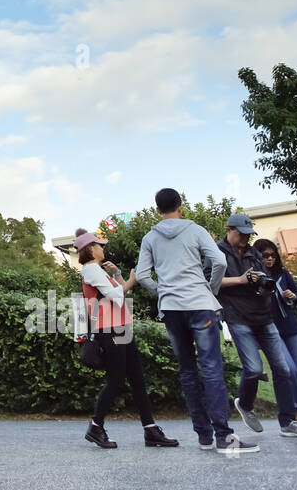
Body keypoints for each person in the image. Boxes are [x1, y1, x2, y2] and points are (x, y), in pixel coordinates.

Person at [136, 189, 256, 454]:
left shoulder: (150, 237)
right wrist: (210, 289)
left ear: (158, 210)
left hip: (171, 309)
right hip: (200, 306)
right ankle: (223, 437)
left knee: (188, 372)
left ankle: (203, 436)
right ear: (181, 206)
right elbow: (219, 261)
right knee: (212, 369)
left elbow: (143, 275)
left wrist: (162, 291)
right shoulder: (196, 230)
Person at [75, 231, 178, 449]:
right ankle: (95, 426)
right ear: (91, 249)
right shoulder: (91, 270)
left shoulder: (99, 271)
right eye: (100, 245)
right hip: (109, 328)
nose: (103, 248)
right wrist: (131, 279)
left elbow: (120, 296)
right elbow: (116, 295)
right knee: (117, 380)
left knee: (137, 379)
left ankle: (150, 430)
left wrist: (119, 275)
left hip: (119, 326)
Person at [218, 216, 297, 438]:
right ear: (229, 230)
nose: (244, 238)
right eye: (240, 233)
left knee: (284, 369)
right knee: (253, 369)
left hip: (263, 316)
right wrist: (240, 280)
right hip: (237, 317)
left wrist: (265, 288)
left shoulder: (254, 254)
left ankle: (288, 422)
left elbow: (264, 283)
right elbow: (209, 281)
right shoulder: (217, 252)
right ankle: (246, 404)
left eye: (248, 234)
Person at [255, 239, 297, 432]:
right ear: (258, 256)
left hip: (291, 327)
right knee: (288, 370)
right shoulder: (254, 276)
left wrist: (293, 296)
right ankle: (293, 415)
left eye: (273, 255)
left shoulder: (283, 274)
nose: (270, 259)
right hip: (270, 328)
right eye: (265, 255)